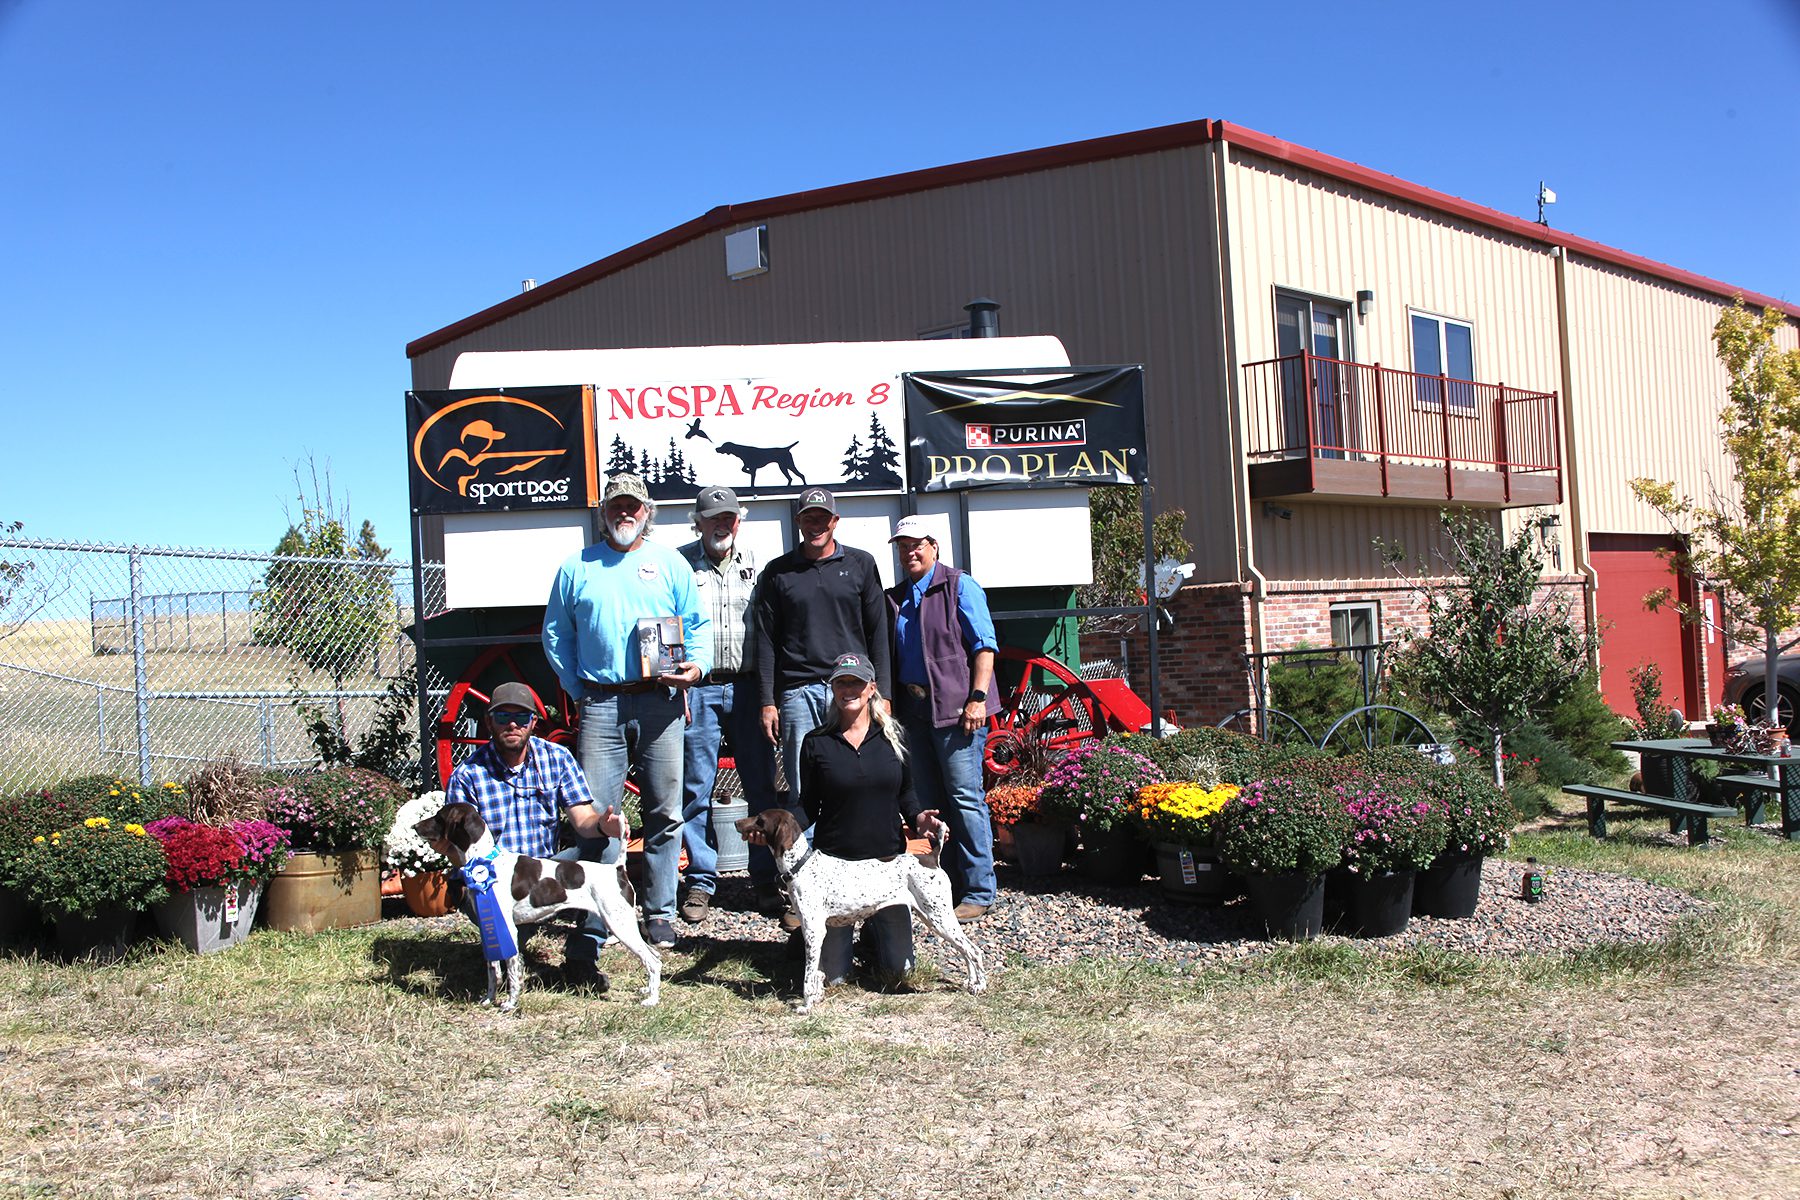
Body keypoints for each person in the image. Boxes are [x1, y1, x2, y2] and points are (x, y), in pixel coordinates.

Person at [542, 473, 710, 949]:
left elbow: (696, 625)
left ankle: (659, 912)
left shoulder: (670, 563)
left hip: (661, 700)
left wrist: (694, 669)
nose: (624, 513)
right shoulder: (577, 566)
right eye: (616, 505)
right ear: (603, 513)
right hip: (601, 702)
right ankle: (597, 914)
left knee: (665, 810)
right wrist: (579, 688)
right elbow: (557, 633)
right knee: (597, 815)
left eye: (633, 506)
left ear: (647, 512)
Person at [442, 680, 623, 987]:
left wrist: (604, 825)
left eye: (521, 717)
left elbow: (582, 820)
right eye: (502, 717)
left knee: (603, 848)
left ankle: (582, 958)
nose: (512, 724)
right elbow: (455, 847)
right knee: (487, 908)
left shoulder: (557, 758)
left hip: (545, 870)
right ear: (488, 722)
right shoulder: (468, 774)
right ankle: (501, 956)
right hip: (497, 881)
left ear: (533, 724)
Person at [792, 651, 944, 985]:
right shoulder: (816, 743)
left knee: (899, 974)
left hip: (886, 867)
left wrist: (920, 819)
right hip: (836, 869)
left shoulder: (894, 738)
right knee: (832, 980)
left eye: (856, 682)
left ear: (871, 688)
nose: (849, 689)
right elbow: (808, 806)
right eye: (841, 682)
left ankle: (874, 935)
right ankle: (831, 941)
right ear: (832, 689)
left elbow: (906, 792)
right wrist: (781, 828)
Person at [886, 515, 1000, 921]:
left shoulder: (958, 586)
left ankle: (979, 889)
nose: (909, 552)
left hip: (957, 712)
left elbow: (984, 647)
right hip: (914, 712)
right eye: (902, 546)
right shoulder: (896, 597)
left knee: (965, 799)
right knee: (929, 803)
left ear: (934, 546)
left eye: (916, 544)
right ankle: (940, 884)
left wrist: (978, 698)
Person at [675, 484, 779, 925]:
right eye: (713, 517)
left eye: (730, 517)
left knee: (759, 785)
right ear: (697, 522)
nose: (723, 524)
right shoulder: (676, 563)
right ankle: (700, 880)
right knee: (695, 787)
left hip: (750, 687)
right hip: (698, 687)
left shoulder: (760, 565)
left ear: (740, 521)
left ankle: (765, 879)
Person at [754, 485, 892, 807]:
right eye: (809, 517)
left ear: (835, 521)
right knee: (803, 789)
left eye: (823, 518)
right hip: (797, 694)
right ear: (799, 522)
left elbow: (878, 633)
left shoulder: (861, 564)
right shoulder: (778, 572)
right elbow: (765, 640)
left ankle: (854, 853)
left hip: (851, 690)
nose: (816, 524)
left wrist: (882, 692)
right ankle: (811, 857)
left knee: (857, 777)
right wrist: (767, 701)